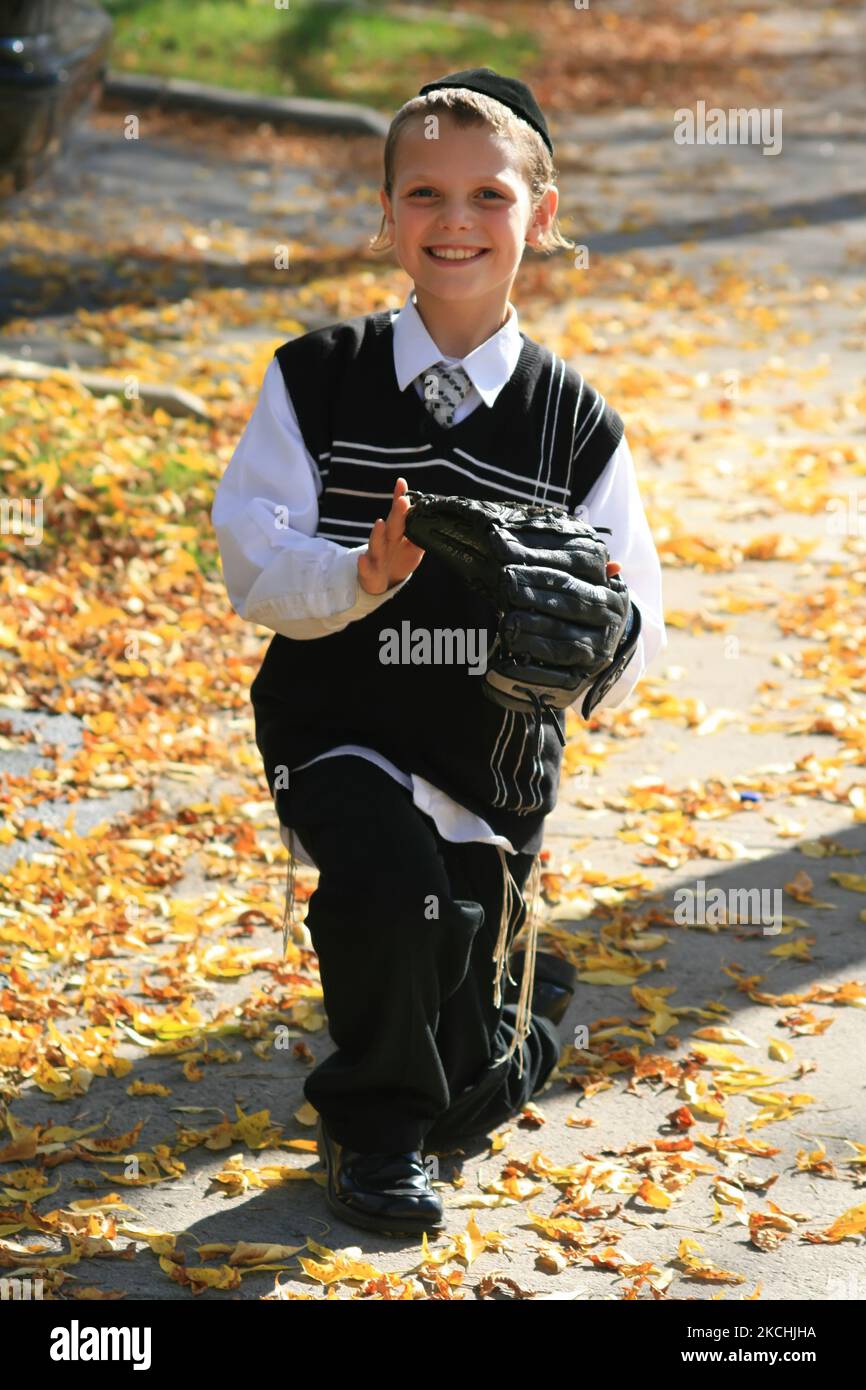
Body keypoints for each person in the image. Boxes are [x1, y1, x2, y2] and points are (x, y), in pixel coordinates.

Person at [211, 67, 667, 1237]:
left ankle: (515, 1008)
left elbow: (636, 617)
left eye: (487, 195)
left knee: (471, 1082)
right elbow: (252, 562)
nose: (454, 220)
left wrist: (594, 638)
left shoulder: (575, 421)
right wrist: (360, 573)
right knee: (388, 892)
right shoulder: (316, 377)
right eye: (423, 192)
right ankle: (372, 1135)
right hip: (337, 727)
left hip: (487, 763)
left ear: (541, 216)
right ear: (385, 216)